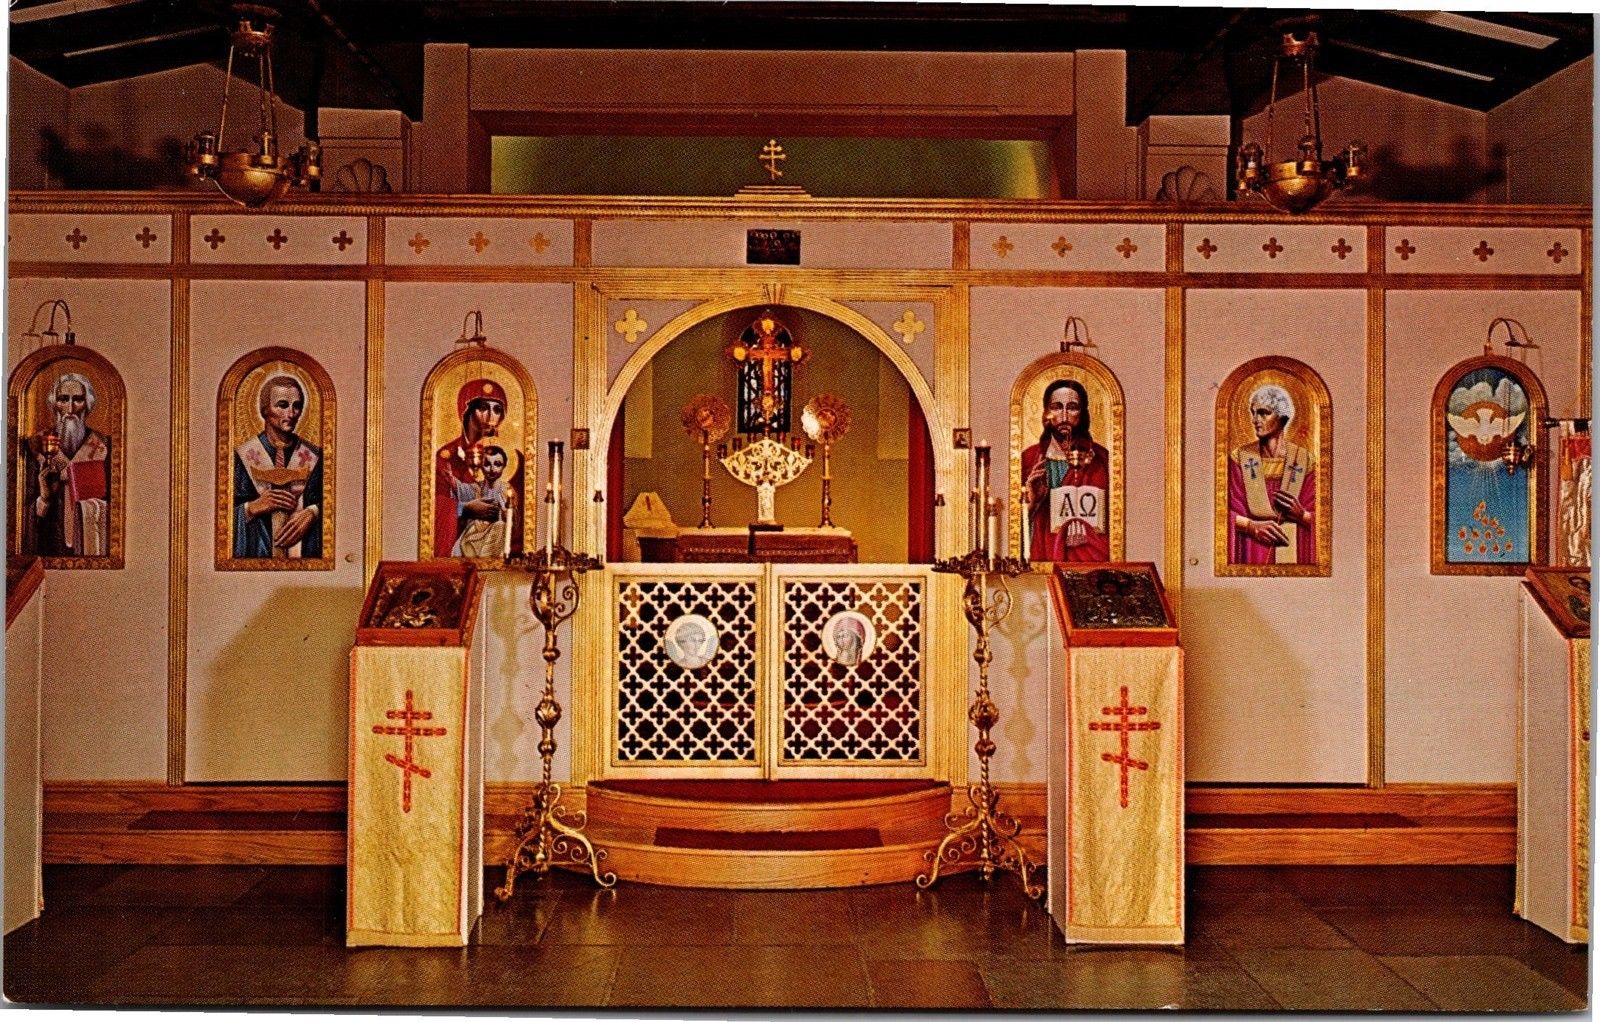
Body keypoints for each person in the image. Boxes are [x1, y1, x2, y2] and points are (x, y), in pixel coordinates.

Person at [233, 374, 323, 559]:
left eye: (297, 406)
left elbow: (338, 504)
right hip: (256, 553)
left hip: (304, 558)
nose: (291, 414)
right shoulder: (240, 458)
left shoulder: (315, 456)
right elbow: (215, 520)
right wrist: (251, 508)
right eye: (282, 405)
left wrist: (314, 512)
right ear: (265, 409)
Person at [1020, 379, 1110, 562]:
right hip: (1044, 554)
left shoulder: (1102, 458)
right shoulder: (1030, 459)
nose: (1064, 415)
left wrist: (1089, 533)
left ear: (1082, 413)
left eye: (1072, 407)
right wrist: (1033, 503)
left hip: (1088, 562)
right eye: (1056, 407)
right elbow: (1016, 527)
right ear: (1046, 412)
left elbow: (1114, 518)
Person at [1227, 383, 1316, 565]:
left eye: (1263, 413)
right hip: (1251, 551)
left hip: (1294, 551)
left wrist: (1302, 516)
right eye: (1253, 413)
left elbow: (1324, 519)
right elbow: (1222, 513)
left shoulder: (1304, 461)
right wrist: (1250, 526)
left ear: (1282, 418)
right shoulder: (1240, 458)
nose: (1255, 420)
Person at [25, 372, 111, 558]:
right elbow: (19, 511)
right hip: (50, 544)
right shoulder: (36, 445)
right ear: (54, 404)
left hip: (90, 545)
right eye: (63, 399)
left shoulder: (104, 445)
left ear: (87, 404)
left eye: (77, 400)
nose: (70, 408)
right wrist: (44, 499)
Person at [434, 378, 522, 557]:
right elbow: (435, 505)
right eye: (483, 408)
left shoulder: (510, 454)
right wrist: (464, 508)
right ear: (467, 411)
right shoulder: (447, 457)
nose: (491, 417)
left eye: (497, 410)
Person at [451, 445, 518, 558]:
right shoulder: (476, 488)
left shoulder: (508, 490)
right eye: (487, 464)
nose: (492, 469)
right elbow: (459, 488)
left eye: (497, 464)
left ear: (504, 465)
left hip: (496, 534)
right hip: (473, 534)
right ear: (481, 466)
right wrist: (450, 478)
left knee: (500, 526)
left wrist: (506, 514)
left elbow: (514, 519)